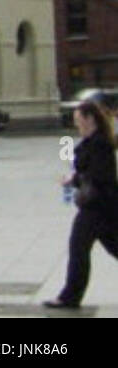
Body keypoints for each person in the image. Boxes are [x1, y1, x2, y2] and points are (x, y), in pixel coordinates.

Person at [45, 99, 118, 309]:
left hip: (98, 207)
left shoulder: (100, 144)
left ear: (90, 119)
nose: (77, 125)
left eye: (79, 120)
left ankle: (70, 297)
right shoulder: (95, 141)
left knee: (78, 248)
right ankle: (70, 296)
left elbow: (100, 176)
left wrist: (74, 180)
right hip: (104, 207)